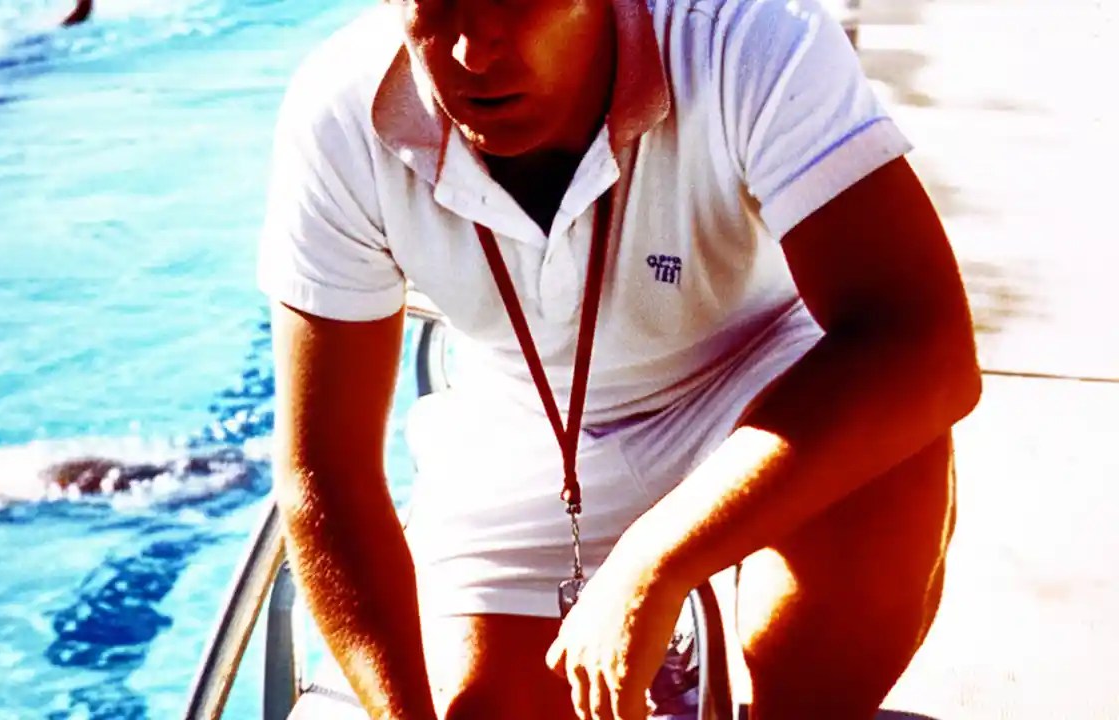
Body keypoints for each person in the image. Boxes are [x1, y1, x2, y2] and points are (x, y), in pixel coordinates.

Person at [259, 0, 980, 718]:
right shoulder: (340, 112)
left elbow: (924, 344)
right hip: (525, 425)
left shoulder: (747, 37)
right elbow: (327, 467)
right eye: (438, 2)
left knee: (889, 470)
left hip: (757, 383)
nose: (475, 50)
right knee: (470, 708)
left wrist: (654, 563)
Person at [0, 449, 249, 521]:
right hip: (50, 476)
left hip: (52, 480)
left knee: (136, 476)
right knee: (141, 473)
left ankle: (220, 478)